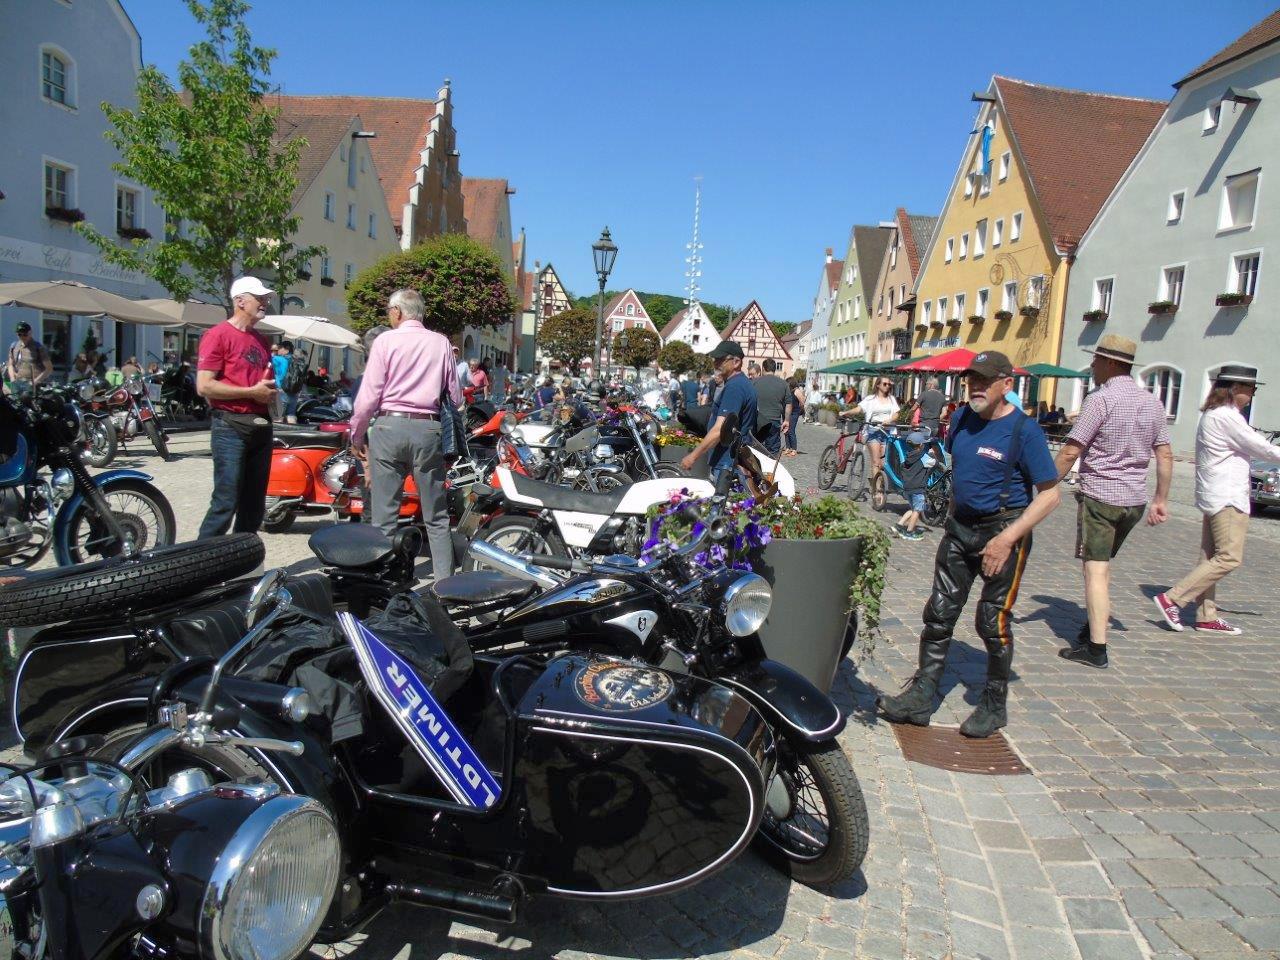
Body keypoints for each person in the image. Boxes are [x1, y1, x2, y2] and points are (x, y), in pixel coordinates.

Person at [878, 351, 1060, 738]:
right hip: (960, 528)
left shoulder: (1024, 431)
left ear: (1006, 384)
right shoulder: (961, 418)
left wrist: (1006, 539)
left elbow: (1050, 495)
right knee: (939, 613)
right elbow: (958, 467)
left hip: (1003, 530)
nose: (975, 387)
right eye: (971, 380)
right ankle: (922, 696)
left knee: (992, 622)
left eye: (984, 380)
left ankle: (994, 705)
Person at [1052, 334, 1172, 668]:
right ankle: (1094, 622)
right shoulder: (1152, 402)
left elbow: (1071, 450)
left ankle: (1096, 648)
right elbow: (1164, 454)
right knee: (1103, 565)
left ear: (1109, 363)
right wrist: (1161, 498)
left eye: (1095, 360)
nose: (1092, 366)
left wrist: (1045, 484)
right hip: (1134, 501)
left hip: (1101, 497)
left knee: (1095, 568)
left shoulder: (1100, 400)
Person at [1153, 365, 1280, 635]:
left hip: (1215, 494)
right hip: (1227, 497)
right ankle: (1172, 599)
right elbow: (1262, 447)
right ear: (1235, 388)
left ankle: (1206, 616)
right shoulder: (1226, 416)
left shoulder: (1216, 414)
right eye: (1251, 389)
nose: (1252, 394)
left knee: (1209, 558)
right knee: (1229, 557)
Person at [350, 288, 461, 582]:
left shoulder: (385, 341)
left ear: (397, 312)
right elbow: (456, 396)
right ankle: (445, 586)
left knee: (385, 515)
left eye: (390, 310)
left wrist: (357, 435)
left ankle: (382, 583)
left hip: (389, 427)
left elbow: (368, 397)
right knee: (436, 517)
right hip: (428, 428)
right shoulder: (441, 342)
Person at [195, 276, 278, 539]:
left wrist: (268, 394)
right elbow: (204, 386)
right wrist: (251, 392)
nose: (265, 302)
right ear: (240, 301)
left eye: (266, 298)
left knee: (254, 507)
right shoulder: (218, 335)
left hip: (260, 426)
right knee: (225, 501)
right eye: (259, 298)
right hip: (230, 426)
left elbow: (261, 383)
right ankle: (202, 559)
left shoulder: (261, 340)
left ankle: (243, 558)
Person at [681, 340, 756, 484]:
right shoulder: (741, 383)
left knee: (721, 497)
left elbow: (720, 429)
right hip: (731, 459)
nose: (716, 363)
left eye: (721, 360)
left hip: (726, 461)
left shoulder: (735, 387)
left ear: (736, 362)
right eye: (715, 359)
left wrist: (693, 456)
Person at [840, 377, 900, 477]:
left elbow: (896, 414)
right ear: (878, 385)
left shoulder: (891, 399)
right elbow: (859, 409)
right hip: (873, 432)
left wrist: (889, 420)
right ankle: (877, 486)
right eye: (885, 384)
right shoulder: (870, 399)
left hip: (888, 433)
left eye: (889, 384)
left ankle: (878, 482)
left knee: (884, 464)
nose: (887, 386)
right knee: (876, 462)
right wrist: (846, 412)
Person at [894, 430, 936, 541]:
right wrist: (933, 454)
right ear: (921, 445)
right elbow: (934, 463)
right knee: (917, 511)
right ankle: (909, 532)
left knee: (913, 509)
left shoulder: (908, 456)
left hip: (908, 488)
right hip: (918, 489)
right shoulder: (923, 457)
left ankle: (899, 525)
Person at [753, 358, 790, 457]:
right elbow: (788, 404)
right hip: (775, 421)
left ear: (763, 368)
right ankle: (771, 466)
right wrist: (786, 420)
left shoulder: (755, 382)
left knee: (756, 450)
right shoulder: (784, 384)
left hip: (758, 421)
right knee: (773, 452)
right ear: (774, 369)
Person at [6, 322, 53, 393]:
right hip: (18, 383)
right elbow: (10, 364)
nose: (22, 337)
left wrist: (34, 382)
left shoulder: (38, 347)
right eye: (19, 334)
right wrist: (12, 379)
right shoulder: (14, 346)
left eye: (25, 334)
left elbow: (49, 368)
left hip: (35, 386)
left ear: (30, 333)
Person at [784, 377, 805, 457]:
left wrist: (800, 410)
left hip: (794, 412)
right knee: (786, 430)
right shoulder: (789, 391)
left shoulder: (797, 391)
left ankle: (794, 449)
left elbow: (802, 402)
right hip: (788, 412)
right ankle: (788, 447)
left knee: (791, 430)